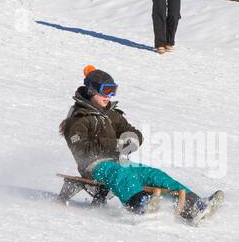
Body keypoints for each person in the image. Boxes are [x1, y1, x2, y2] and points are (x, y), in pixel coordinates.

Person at [59, 65, 223, 223]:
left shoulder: (111, 114)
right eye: (106, 91)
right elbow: (81, 149)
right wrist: (116, 144)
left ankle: (194, 205)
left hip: (119, 163)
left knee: (154, 174)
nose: (109, 96)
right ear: (91, 91)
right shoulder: (77, 118)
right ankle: (139, 204)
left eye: (112, 91)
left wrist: (132, 140)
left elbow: (132, 132)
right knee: (120, 174)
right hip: (93, 167)